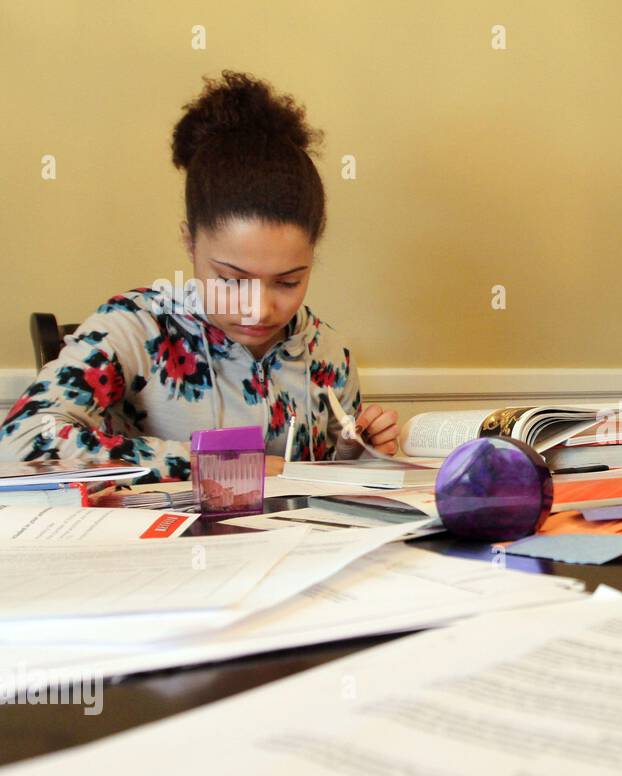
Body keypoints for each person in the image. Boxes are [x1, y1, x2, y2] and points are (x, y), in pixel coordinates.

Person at [0, 71, 399, 481]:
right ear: (190, 243)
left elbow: (316, 489)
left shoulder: (329, 353)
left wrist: (354, 458)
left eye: (287, 282)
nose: (259, 309)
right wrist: (213, 463)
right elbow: (19, 440)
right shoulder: (135, 329)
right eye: (231, 280)